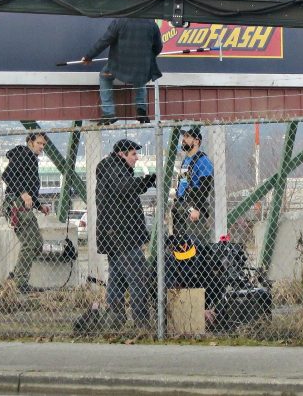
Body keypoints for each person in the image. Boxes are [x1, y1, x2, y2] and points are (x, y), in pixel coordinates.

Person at [95, 138, 157, 328]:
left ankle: (115, 320)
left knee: (117, 279)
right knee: (138, 277)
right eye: (133, 154)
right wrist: (147, 181)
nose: (136, 158)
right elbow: (124, 187)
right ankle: (142, 323)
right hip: (123, 236)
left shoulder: (112, 169)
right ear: (122, 154)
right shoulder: (115, 170)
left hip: (116, 235)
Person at [82, 18, 163, 124]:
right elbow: (158, 47)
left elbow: (104, 41)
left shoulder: (119, 22)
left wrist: (89, 57)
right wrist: (147, 57)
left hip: (118, 65)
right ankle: (141, 111)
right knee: (140, 76)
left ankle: (108, 113)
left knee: (104, 76)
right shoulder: (152, 24)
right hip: (141, 65)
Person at [1, 132, 51, 293]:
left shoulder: (31, 159)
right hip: (17, 204)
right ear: (30, 142)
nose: (42, 147)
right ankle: (20, 283)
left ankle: (15, 277)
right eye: (39, 143)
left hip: (25, 205)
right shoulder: (23, 154)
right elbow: (7, 175)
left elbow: (28, 189)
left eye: (44, 144)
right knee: (30, 243)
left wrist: (39, 205)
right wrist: (23, 193)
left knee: (37, 244)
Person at [171, 126, 214, 241]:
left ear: (196, 141)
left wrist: (197, 208)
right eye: (183, 137)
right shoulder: (186, 160)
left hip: (193, 205)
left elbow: (205, 186)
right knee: (180, 244)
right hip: (183, 205)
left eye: (187, 136)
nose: (183, 139)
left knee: (195, 242)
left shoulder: (203, 160)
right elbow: (183, 183)